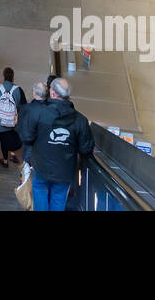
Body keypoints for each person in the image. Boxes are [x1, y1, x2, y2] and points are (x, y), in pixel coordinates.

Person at [21, 77, 94, 211]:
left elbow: (26, 137)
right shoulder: (81, 120)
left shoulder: (38, 113)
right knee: (59, 197)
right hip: (65, 170)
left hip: (41, 166)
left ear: (53, 93)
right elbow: (86, 148)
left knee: (40, 189)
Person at [0, 68, 26, 168]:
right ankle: (13, 155)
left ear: (3, 76)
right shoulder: (19, 89)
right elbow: (24, 106)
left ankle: (5, 161)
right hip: (13, 120)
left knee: (3, 140)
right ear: (13, 77)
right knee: (12, 135)